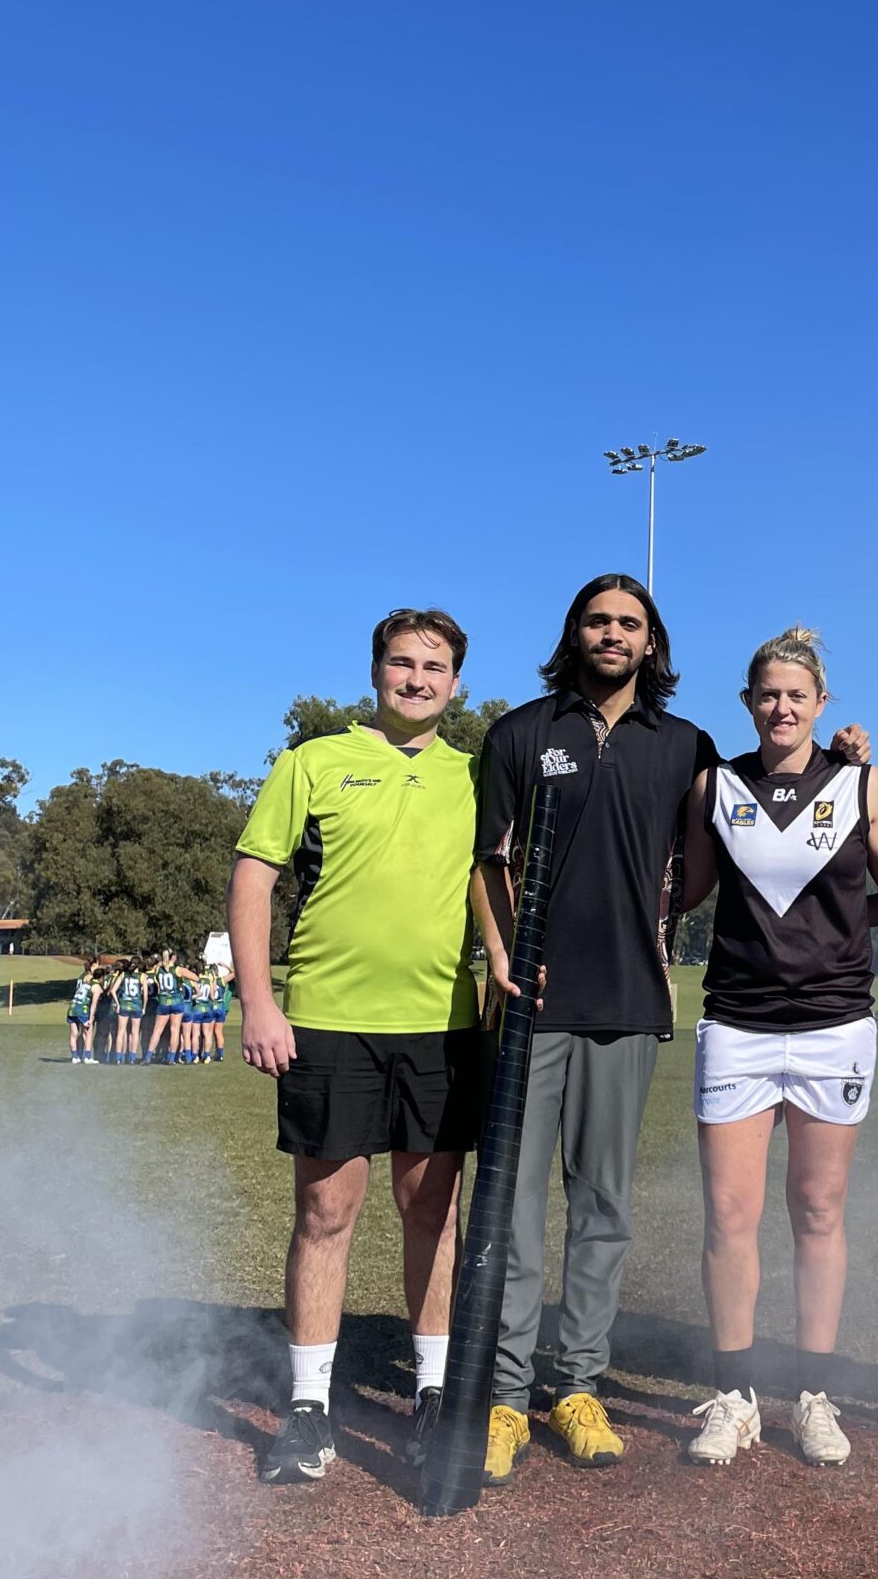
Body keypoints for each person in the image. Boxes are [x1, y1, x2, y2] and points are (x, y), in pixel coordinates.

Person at [468, 577, 718, 1485]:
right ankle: (501, 1393)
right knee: (517, 1204)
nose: (612, 634)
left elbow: (700, 866)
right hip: (532, 1001)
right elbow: (487, 861)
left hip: (626, 1002)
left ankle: (576, 1386)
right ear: (573, 632)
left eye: (630, 623)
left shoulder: (687, 745)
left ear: (653, 642)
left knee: (602, 1207)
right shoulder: (520, 733)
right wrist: (500, 954)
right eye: (597, 620)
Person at [230, 607, 485, 1485]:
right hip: (329, 1022)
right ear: (377, 670)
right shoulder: (313, 760)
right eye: (403, 663)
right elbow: (253, 876)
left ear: (457, 681)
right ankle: (308, 1413)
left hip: (443, 1026)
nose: (418, 679)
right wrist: (260, 1000)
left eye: (436, 666)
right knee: (326, 1214)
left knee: (432, 1214)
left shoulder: (479, 773)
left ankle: (435, 1400)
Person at [678, 627, 878, 1472]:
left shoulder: (860, 782)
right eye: (767, 695)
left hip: (834, 1027)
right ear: (747, 703)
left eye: (797, 696)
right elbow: (690, 888)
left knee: (817, 1215)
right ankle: (735, 1397)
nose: (781, 707)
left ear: (822, 706)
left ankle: (815, 1393)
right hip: (737, 1024)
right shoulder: (716, 784)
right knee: (731, 1217)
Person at [67, 961, 102, 1065]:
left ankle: (75, 1057)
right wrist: (91, 1018)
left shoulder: (86, 982)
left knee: (73, 1034)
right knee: (88, 1033)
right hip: (83, 1009)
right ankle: (87, 1057)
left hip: (72, 1007)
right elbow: (93, 1005)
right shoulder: (97, 987)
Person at [112, 959, 147, 1063]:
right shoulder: (142, 976)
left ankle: (118, 1057)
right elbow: (145, 996)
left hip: (124, 1004)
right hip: (136, 1006)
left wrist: (117, 1004)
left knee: (121, 1032)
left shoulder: (123, 975)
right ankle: (132, 1057)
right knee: (135, 1032)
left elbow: (113, 990)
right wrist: (144, 1007)